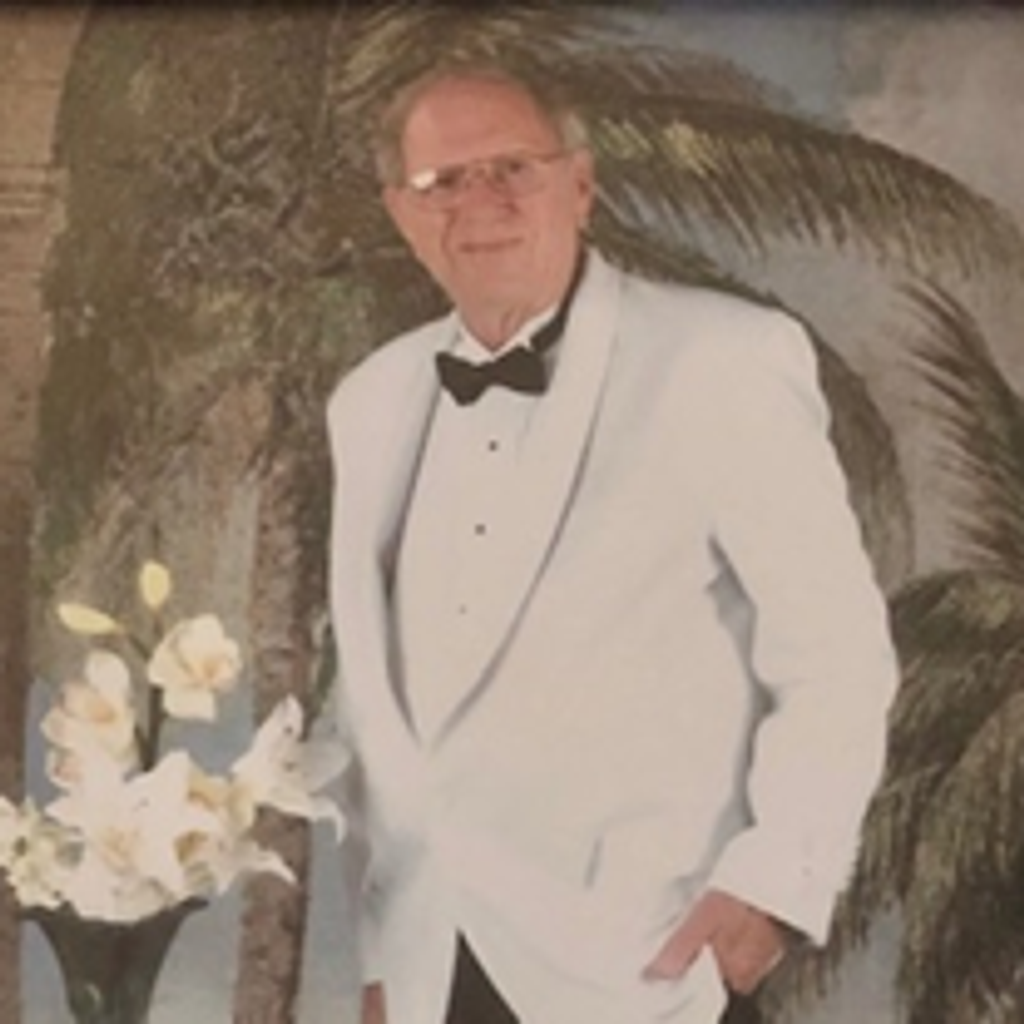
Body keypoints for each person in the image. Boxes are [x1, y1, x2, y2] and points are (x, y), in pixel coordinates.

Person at [326, 60, 898, 1024]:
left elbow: (835, 650)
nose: (480, 203)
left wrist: (773, 884)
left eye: (512, 168)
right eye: (443, 181)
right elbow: (375, 708)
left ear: (581, 185)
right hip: (435, 963)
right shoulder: (370, 399)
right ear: (401, 212)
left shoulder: (721, 358)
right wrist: (386, 956)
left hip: (644, 959)